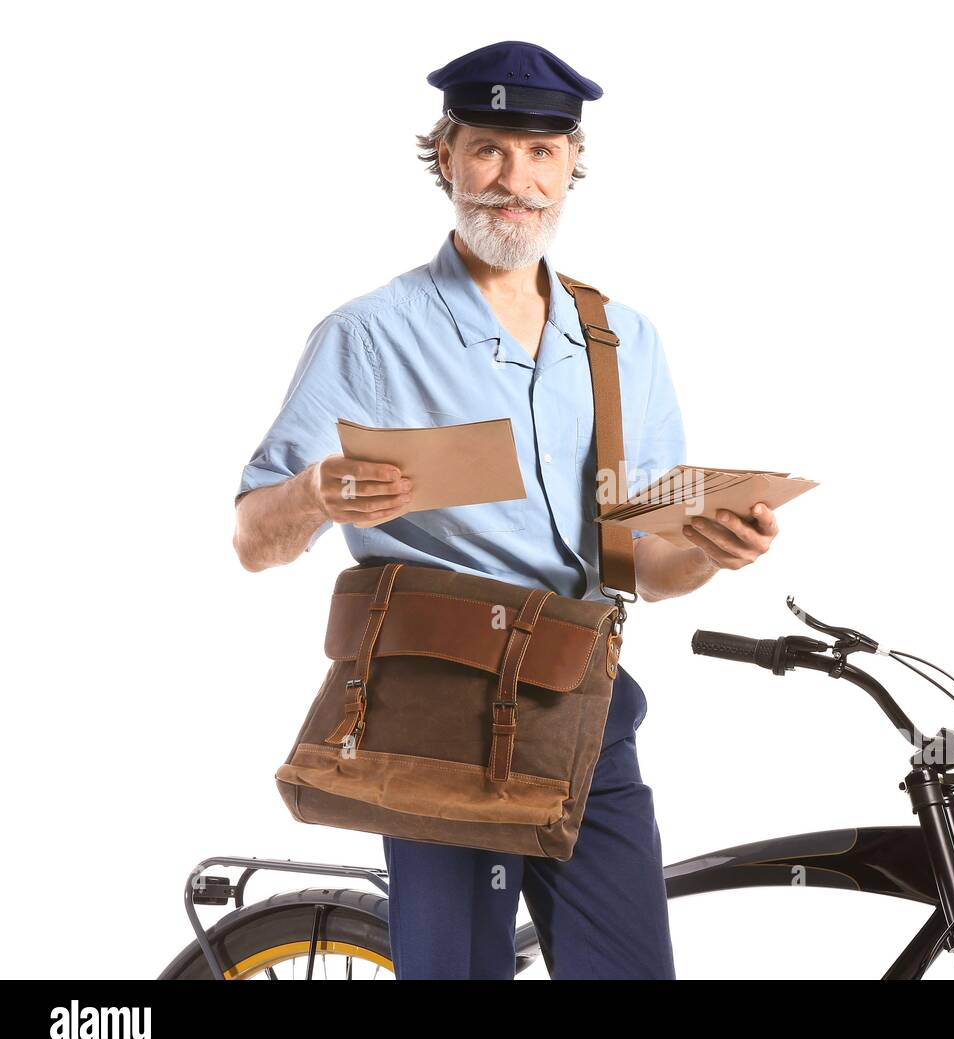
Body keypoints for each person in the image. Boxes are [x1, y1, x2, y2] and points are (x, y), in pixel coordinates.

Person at [231, 40, 781, 979]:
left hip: (586, 709)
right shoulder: (369, 334)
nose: (512, 180)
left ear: (573, 164)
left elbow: (640, 556)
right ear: (445, 158)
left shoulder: (620, 339)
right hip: (439, 718)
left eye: (540, 154)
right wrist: (315, 491)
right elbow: (254, 540)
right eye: (487, 149)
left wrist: (709, 550)